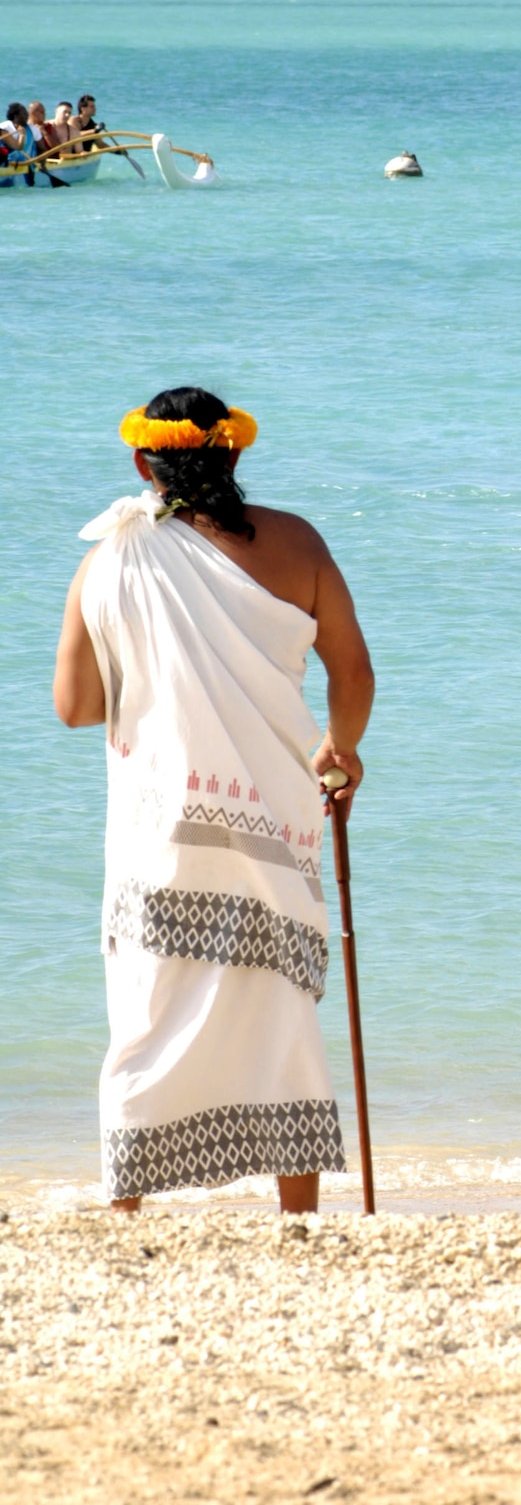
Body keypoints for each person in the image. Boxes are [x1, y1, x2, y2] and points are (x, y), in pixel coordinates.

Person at [52, 387, 375, 1215]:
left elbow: (77, 707)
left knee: (150, 1010)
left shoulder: (110, 558)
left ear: (142, 463)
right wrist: (341, 748)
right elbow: (354, 672)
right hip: (275, 811)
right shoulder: (297, 541)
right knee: (278, 1011)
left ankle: (127, 1203)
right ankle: (296, 1212)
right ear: (236, 456)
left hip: (162, 823)